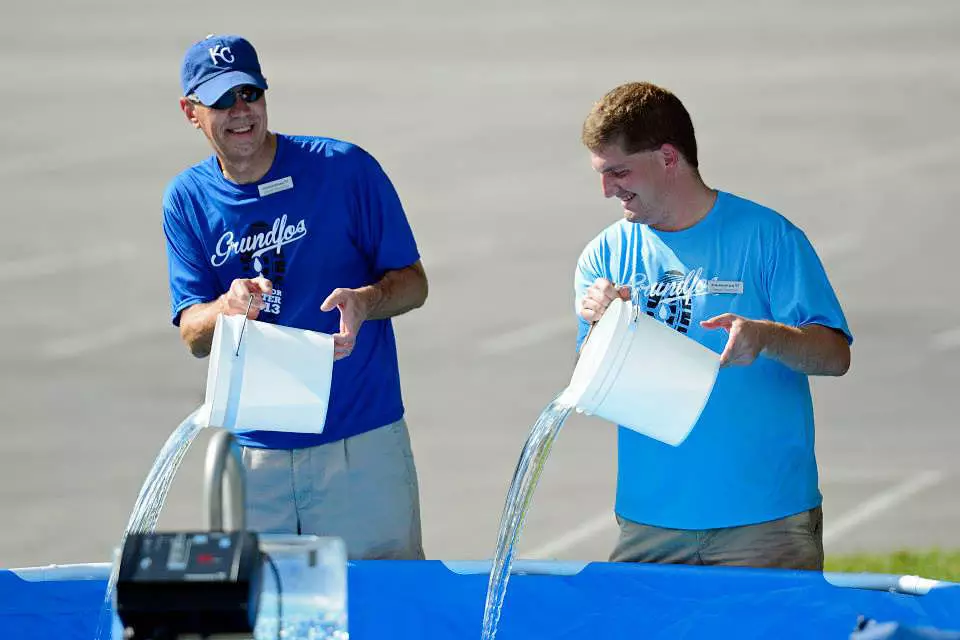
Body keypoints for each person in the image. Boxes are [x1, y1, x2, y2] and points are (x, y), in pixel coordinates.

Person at [162, 34, 428, 560]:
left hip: (361, 443)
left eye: (249, 93)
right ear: (191, 111)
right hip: (255, 460)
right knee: (270, 620)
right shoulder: (187, 199)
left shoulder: (345, 168)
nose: (240, 111)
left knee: (381, 610)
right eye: (220, 100)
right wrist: (226, 308)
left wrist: (367, 300)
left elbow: (414, 282)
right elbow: (193, 333)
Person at [575, 81, 852, 570]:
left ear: (667, 158)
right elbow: (593, 390)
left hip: (764, 523)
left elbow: (835, 355)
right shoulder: (604, 256)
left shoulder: (770, 238)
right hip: (649, 525)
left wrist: (768, 337)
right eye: (601, 174)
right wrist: (606, 329)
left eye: (618, 171)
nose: (606, 190)